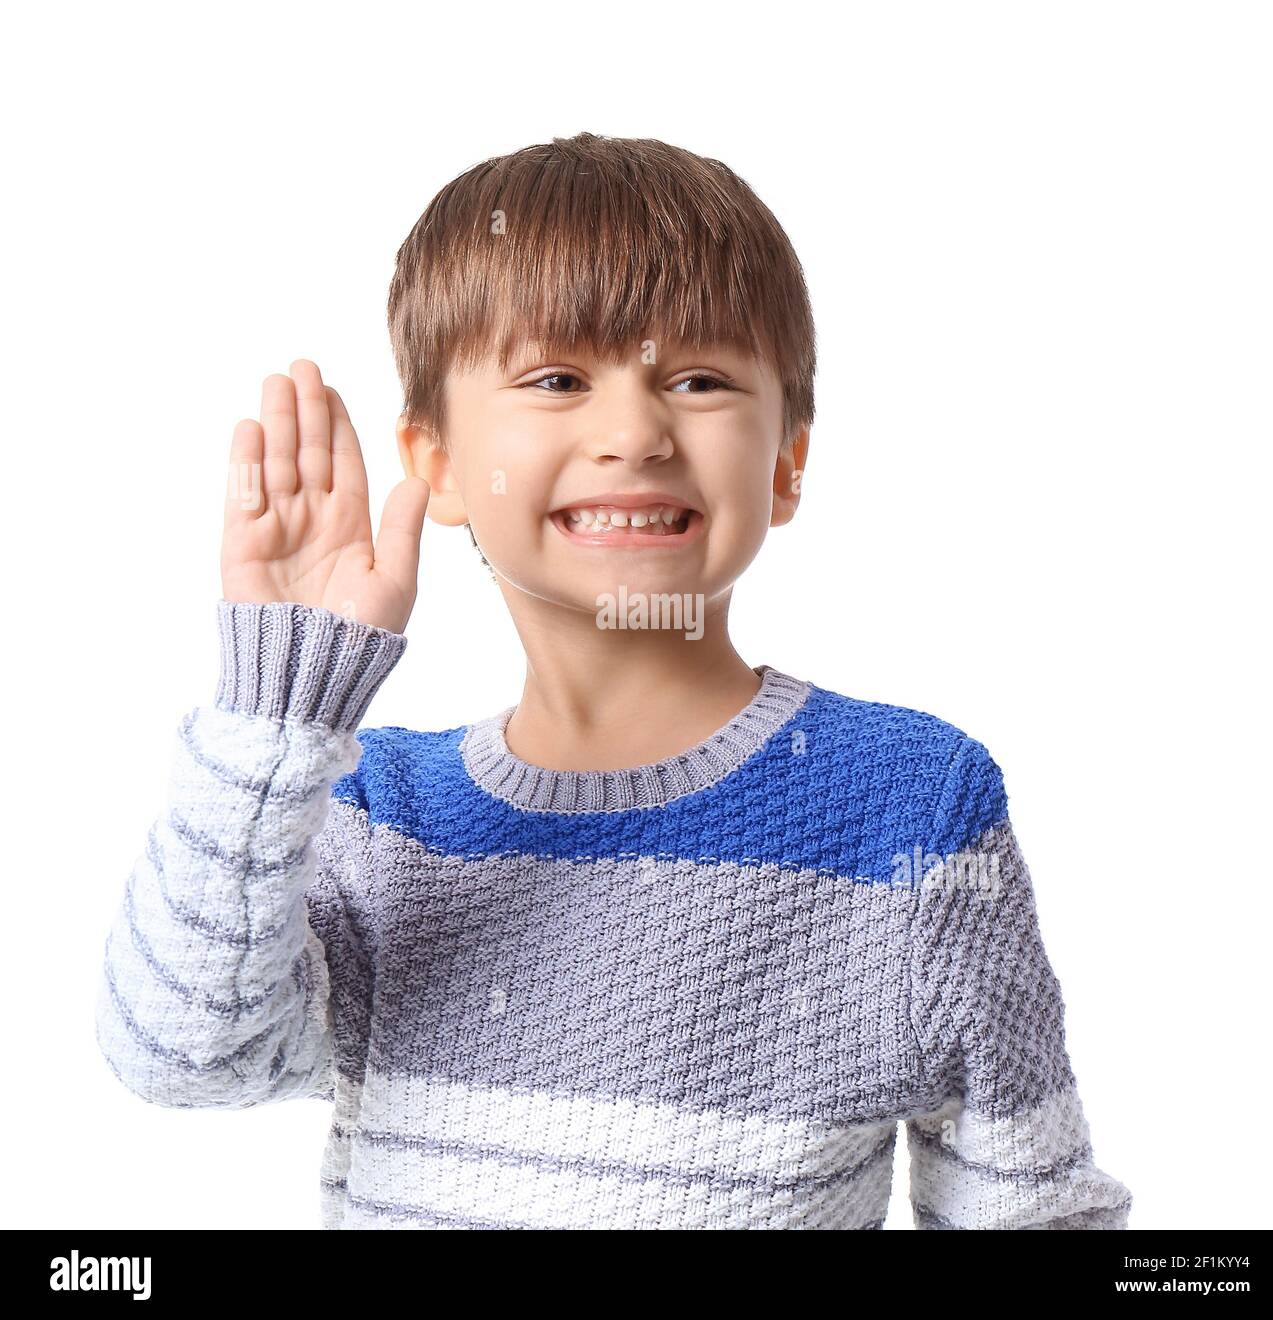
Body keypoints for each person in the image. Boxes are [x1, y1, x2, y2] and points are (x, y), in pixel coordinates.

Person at [94, 131, 1132, 1230]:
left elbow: (1031, 1213)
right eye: (556, 379)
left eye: (698, 379)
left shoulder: (907, 806)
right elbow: (181, 1050)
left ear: (785, 461)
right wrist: (279, 705)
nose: (633, 433)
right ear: (438, 464)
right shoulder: (382, 815)